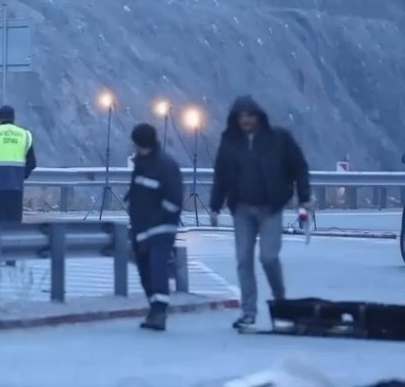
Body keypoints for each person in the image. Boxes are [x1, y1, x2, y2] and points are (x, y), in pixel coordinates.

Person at [209, 95, 312, 331]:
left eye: (250, 116)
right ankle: (248, 313)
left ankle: (280, 300)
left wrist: (304, 196)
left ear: (258, 116)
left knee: (268, 257)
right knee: (243, 260)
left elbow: (299, 167)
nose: (245, 121)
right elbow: (221, 175)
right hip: (242, 209)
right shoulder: (229, 141)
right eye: (241, 117)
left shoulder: (279, 138)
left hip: (270, 208)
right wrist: (215, 207)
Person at [126, 123, 184, 331]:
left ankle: (159, 311)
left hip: (161, 227)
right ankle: (154, 307)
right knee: (145, 269)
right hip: (142, 228)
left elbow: (174, 199)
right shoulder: (142, 164)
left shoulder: (165, 166)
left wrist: (159, 217)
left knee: (157, 266)